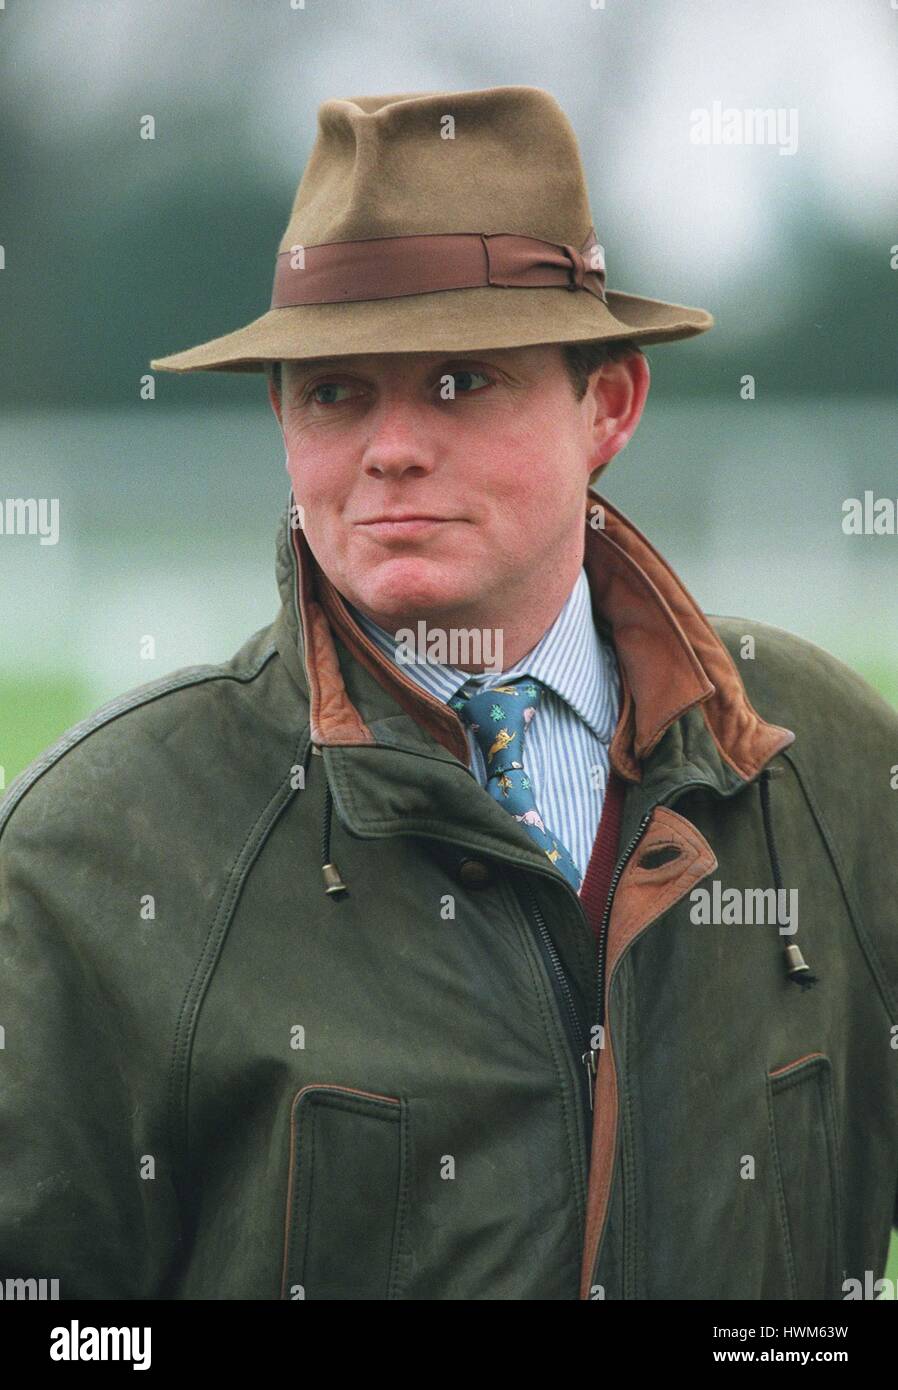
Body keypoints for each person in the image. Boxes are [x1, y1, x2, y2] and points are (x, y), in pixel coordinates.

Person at [1, 85, 896, 1302]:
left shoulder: (833, 766)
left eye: (461, 380)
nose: (390, 447)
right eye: (334, 392)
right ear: (280, 418)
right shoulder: (98, 844)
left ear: (611, 405)